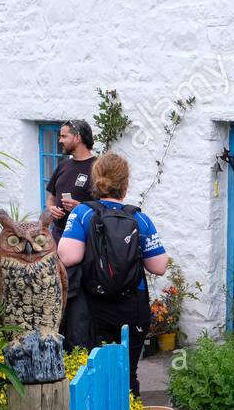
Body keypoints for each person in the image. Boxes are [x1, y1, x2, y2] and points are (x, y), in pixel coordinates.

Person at [56, 153, 167, 395]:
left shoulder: (82, 213)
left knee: (93, 372)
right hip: (132, 306)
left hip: (94, 308)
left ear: (95, 181)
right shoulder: (139, 218)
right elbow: (158, 266)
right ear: (125, 185)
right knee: (128, 374)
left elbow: (68, 257)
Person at [45, 119, 97, 349]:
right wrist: (51, 208)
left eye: (64, 136)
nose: (60, 140)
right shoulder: (63, 166)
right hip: (58, 236)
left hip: (83, 242)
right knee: (58, 291)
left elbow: (102, 206)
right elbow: (50, 195)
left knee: (79, 297)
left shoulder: (97, 167)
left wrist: (81, 208)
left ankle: (80, 345)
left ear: (78, 138)